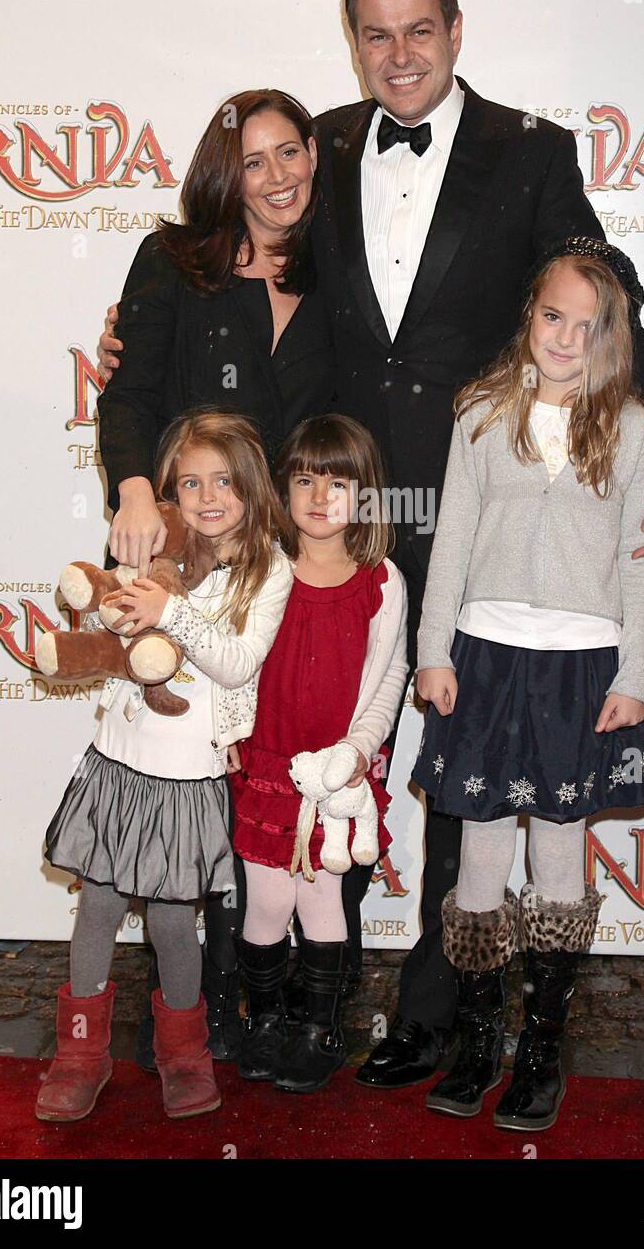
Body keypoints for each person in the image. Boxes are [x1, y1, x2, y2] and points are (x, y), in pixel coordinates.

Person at [98, 0, 644, 1088]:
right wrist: (134, 319)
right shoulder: (316, 144)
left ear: (457, 30)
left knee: (456, 762)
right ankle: (297, 985)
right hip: (336, 514)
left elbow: (602, 283)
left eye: (420, 30)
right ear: (353, 43)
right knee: (320, 742)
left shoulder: (531, 152)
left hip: (476, 502)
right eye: (377, 35)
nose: (400, 53)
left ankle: (432, 1012)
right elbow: (228, 251)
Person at [97, 88, 334, 1066]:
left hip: (300, 574)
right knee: (191, 777)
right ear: (223, 172)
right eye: (255, 160)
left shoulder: (346, 272)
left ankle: (271, 992)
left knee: (285, 775)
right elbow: (129, 392)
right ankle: (184, 1002)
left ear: (316, 157)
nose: (276, 177)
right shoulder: (174, 263)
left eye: (292, 154)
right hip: (189, 571)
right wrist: (134, 491)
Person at [410, 239, 644, 1129]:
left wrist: (634, 672)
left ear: (610, 339)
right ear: (530, 317)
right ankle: (479, 1043)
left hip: (581, 667)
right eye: (553, 316)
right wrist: (431, 651)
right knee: (478, 852)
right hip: (482, 655)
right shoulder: (480, 411)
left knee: (558, 855)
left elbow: (638, 566)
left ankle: (542, 1051)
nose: (566, 338)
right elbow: (450, 544)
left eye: (587, 327)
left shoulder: (632, 426)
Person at [36, 409, 293, 1121]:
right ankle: (80, 1055)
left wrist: (171, 613)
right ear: (169, 492)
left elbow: (239, 667)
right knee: (98, 909)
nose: (208, 497)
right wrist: (116, 607)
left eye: (223, 482)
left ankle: (185, 1055)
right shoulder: (156, 548)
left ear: (250, 485)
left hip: (188, 778)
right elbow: (105, 631)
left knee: (176, 924)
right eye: (189, 482)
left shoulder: (269, 568)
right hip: (119, 761)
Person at [229, 414, 409, 1093]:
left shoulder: (381, 580)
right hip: (268, 765)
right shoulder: (260, 570)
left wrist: (359, 750)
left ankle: (318, 1028)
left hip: (334, 775)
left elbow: (390, 673)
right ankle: (266, 1021)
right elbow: (232, 662)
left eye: (337, 482)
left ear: (365, 494)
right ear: (282, 489)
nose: (318, 496)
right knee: (267, 902)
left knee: (323, 900)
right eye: (304, 479)